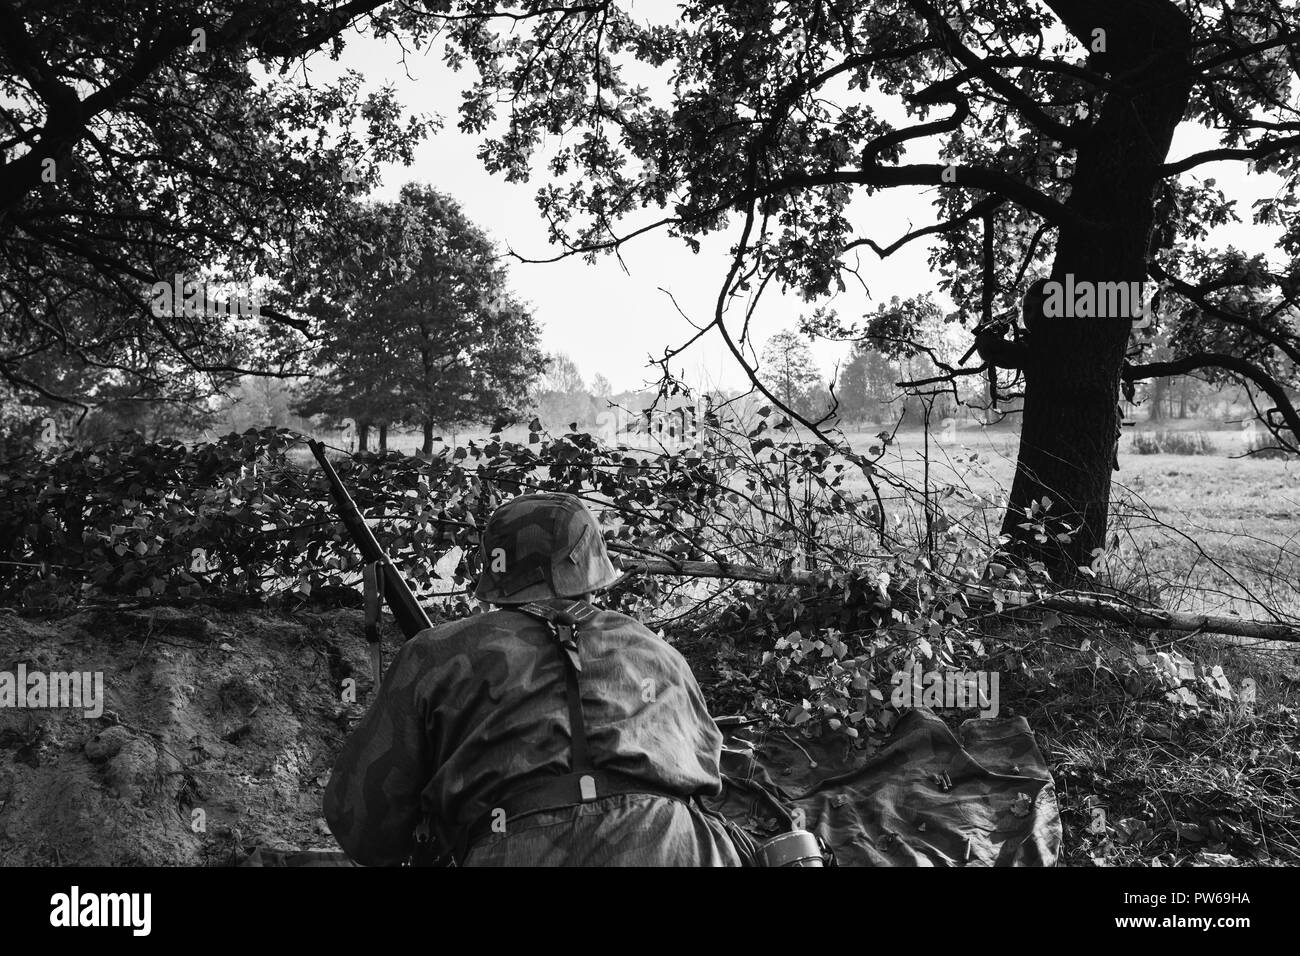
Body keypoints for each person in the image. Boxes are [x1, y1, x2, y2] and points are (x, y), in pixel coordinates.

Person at [323, 491, 745, 866]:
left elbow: (363, 829)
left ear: (494, 573)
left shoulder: (436, 653)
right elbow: (708, 777)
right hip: (676, 844)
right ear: (593, 570)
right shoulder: (658, 652)